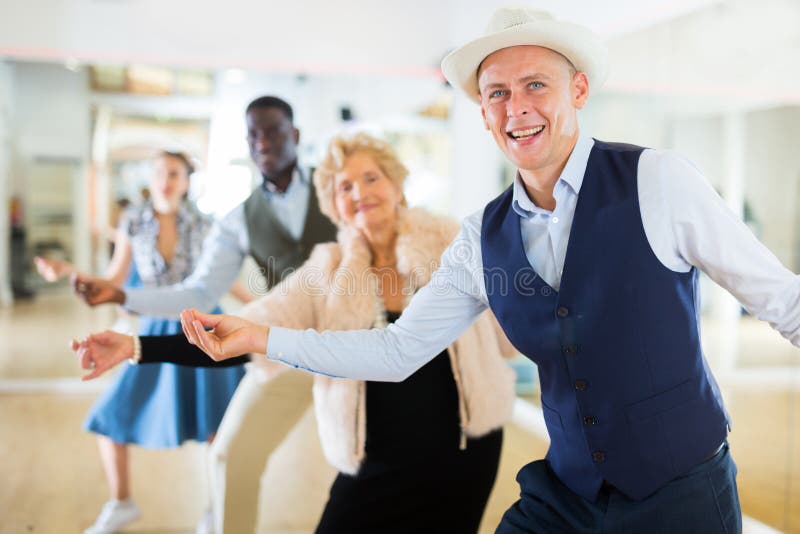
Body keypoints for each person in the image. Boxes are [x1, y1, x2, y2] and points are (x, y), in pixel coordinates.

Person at [118, 7, 800, 533]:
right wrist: (261, 337)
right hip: (567, 495)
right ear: (483, 113)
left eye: (536, 85)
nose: (516, 107)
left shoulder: (658, 181)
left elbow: (783, 302)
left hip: (681, 494)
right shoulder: (481, 236)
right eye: (496, 93)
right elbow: (397, 349)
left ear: (578, 89)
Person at [72, 133, 518, 533]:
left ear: (396, 185)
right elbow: (245, 331)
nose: (359, 193)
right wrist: (136, 346)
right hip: (374, 456)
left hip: (464, 449)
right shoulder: (326, 269)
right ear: (333, 205)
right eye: (344, 187)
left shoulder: (452, 242)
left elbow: (511, 328)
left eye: (371, 178)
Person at [71, 96, 338, 534]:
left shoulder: (338, 189)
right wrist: (121, 294)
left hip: (357, 345)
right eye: (253, 134)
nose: (263, 142)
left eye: (273, 131)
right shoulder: (239, 220)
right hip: (287, 349)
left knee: (363, 463)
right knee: (229, 455)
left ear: (295, 135)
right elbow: (198, 292)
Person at [38, 151, 247, 534]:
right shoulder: (133, 221)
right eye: (159, 172)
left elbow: (222, 280)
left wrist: (266, 309)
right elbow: (113, 280)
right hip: (153, 329)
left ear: (187, 181)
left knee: (218, 427)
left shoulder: (206, 224)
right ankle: (121, 503)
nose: (165, 180)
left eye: (174, 173)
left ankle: (215, 511)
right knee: (110, 419)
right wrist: (68, 271)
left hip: (202, 328)